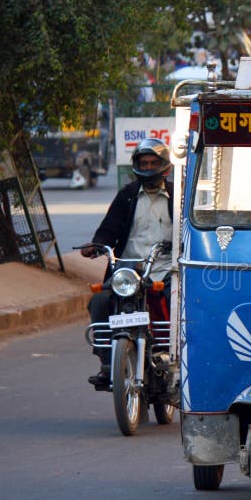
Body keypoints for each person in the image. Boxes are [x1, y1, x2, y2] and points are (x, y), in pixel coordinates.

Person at [81, 137, 174, 387]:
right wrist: (96, 244)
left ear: (165, 166)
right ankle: (107, 363)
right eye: (143, 163)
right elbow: (109, 228)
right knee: (99, 301)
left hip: (165, 269)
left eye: (153, 163)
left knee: (178, 303)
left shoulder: (177, 196)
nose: (147, 168)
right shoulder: (128, 195)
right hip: (128, 270)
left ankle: (172, 356)